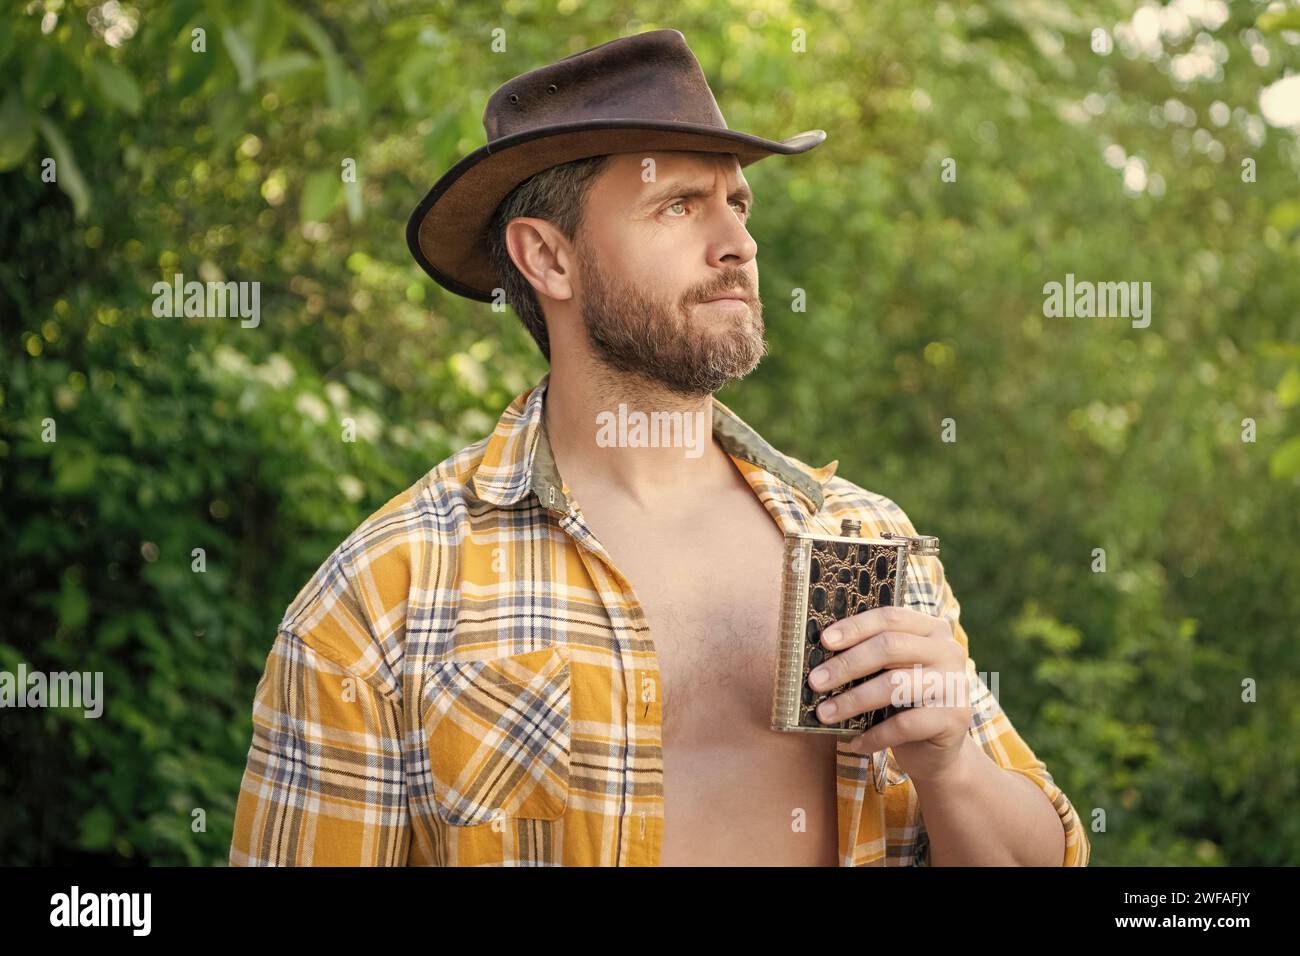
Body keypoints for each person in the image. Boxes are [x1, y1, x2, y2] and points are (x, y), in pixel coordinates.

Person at [229, 28, 1089, 867]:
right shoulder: (384, 599)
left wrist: (950, 764)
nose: (739, 245)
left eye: (738, 204)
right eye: (679, 204)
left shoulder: (864, 545)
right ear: (548, 257)